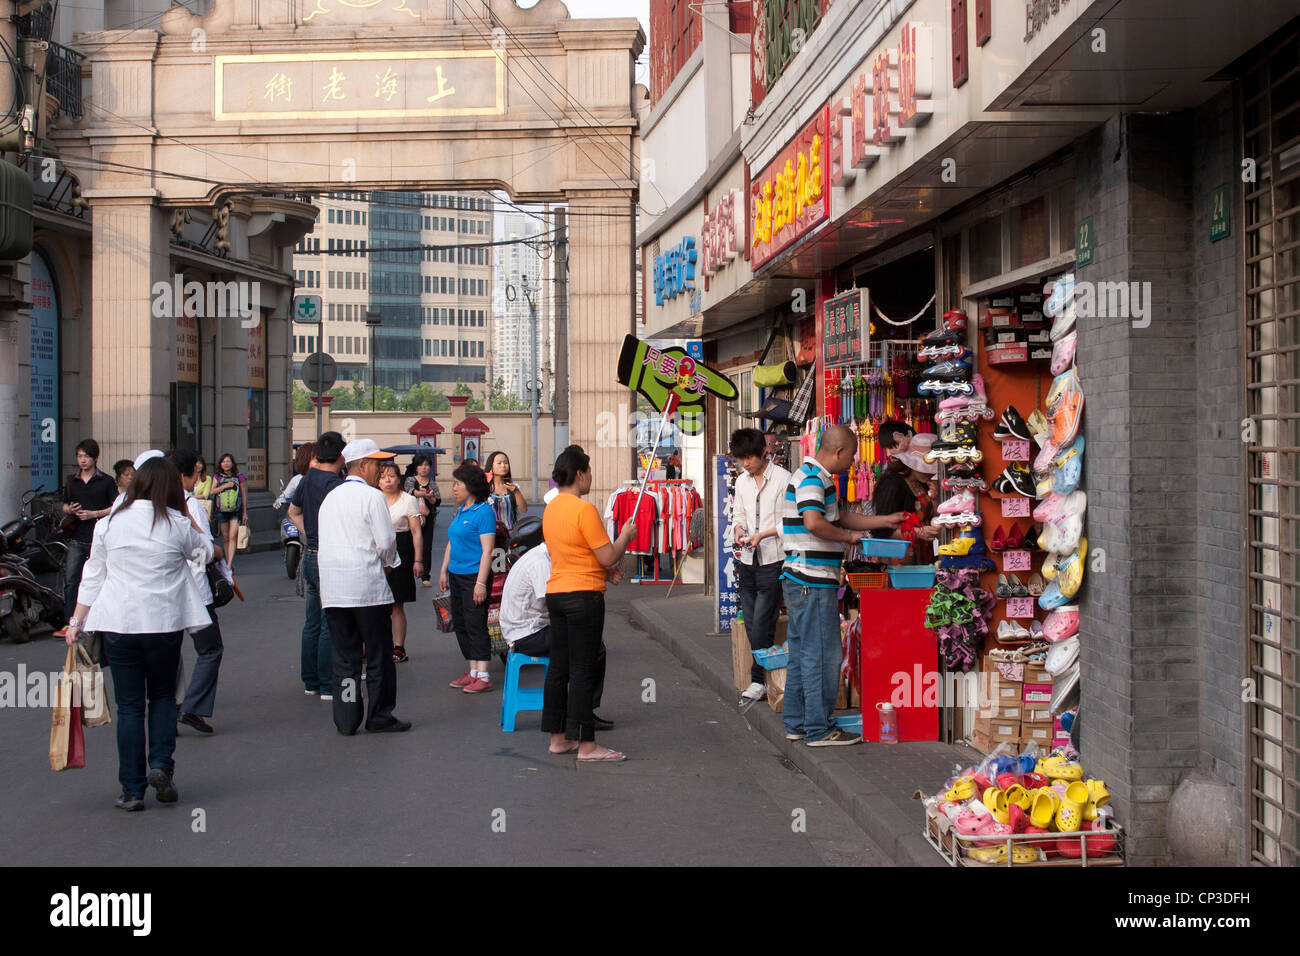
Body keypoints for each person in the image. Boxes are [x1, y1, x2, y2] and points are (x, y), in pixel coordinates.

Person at [63, 457, 213, 811]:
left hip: (118, 625)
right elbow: (203, 552)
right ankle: (161, 766)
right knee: (161, 698)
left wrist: (75, 621)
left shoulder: (111, 523)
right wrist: (189, 520)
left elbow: (94, 574)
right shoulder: (176, 522)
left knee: (129, 708)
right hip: (163, 624)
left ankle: (131, 789)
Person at [782, 425, 907, 747]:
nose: (853, 462)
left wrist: (883, 521)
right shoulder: (812, 478)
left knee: (801, 653)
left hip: (802, 580)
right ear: (838, 452)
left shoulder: (819, 478)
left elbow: (840, 518)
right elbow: (815, 523)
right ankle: (819, 729)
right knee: (821, 654)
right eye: (852, 455)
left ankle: (797, 723)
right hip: (812, 580)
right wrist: (850, 539)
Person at [541, 445, 637, 761]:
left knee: (559, 668)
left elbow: (573, 554)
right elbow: (607, 554)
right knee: (583, 669)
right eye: (589, 472)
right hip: (584, 597)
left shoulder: (551, 509)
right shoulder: (584, 510)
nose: (591, 478)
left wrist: (605, 572)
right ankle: (586, 745)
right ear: (580, 474)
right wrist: (625, 536)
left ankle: (558, 738)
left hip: (557, 593)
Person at [318, 438, 409, 735]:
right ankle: (379, 715)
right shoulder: (371, 497)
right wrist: (388, 562)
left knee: (345, 656)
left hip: (334, 589)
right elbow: (385, 542)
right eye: (378, 465)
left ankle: (346, 717)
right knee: (379, 654)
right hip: (366, 589)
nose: (381, 471)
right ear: (364, 465)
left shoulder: (330, 497)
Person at [499, 539, 612, 725]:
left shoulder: (542, 556)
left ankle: (577, 707)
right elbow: (554, 607)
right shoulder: (541, 563)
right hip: (526, 634)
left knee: (586, 642)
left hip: (527, 627)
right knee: (594, 647)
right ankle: (583, 712)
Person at [728, 427, 792, 703]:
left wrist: (762, 535)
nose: (745, 464)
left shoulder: (783, 479)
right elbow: (738, 514)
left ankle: (758, 679)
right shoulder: (742, 482)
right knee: (752, 623)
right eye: (741, 459)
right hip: (747, 560)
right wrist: (739, 530)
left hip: (773, 559)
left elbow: (789, 521)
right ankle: (767, 676)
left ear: (763, 452)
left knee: (762, 622)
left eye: (750, 458)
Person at [170, 448, 226, 735]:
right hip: (195, 593)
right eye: (196, 473)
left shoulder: (147, 506)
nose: (198, 479)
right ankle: (191, 707)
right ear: (184, 474)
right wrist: (223, 567)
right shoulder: (189, 507)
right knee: (211, 649)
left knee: (170, 654)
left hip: (165, 596)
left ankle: (172, 708)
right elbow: (205, 550)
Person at [289, 431, 345, 700]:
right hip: (327, 557)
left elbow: (292, 511)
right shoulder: (336, 484)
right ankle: (326, 684)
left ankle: (309, 681)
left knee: (311, 622)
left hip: (309, 553)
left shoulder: (307, 479)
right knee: (327, 623)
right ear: (340, 455)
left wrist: (307, 533)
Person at [439, 463, 498, 694]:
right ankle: (472, 671)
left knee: (476, 624)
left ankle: (483, 674)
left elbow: (487, 550)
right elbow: (452, 542)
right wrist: (444, 570)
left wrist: (481, 583)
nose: (454, 488)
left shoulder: (483, 512)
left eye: (458, 484)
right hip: (456, 574)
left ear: (471, 486)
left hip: (474, 575)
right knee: (461, 624)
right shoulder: (461, 510)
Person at [56, 439, 117, 635]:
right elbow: (63, 504)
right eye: (79, 456)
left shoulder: (106, 481)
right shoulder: (71, 481)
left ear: (95, 458)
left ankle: (100, 619)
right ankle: (70, 621)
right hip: (77, 537)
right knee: (72, 580)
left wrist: (94, 514)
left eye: (86, 456)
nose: (82, 460)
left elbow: (115, 507)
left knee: (101, 578)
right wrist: (69, 509)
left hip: (99, 538)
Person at [378, 460, 424, 664]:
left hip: (402, 548)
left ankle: (399, 647)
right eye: (382, 476)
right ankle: (375, 645)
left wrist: (418, 560)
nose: (387, 480)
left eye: (392, 476)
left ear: (399, 479)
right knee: (375, 603)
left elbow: (416, 532)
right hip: (377, 552)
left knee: (397, 603)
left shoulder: (408, 500)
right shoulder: (374, 499)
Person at [403, 453, 440, 587]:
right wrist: (425, 493)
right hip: (412, 517)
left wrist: (430, 497)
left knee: (427, 547)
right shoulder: (410, 480)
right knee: (411, 545)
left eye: (426, 465)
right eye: (421, 465)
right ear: (416, 467)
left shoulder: (433, 483)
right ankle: (410, 573)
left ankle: (425, 576)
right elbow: (410, 492)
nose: (424, 468)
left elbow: (437, 501)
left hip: (428, 518)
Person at [211, 454, 247, 571]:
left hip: (235, 511)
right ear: (220, 464)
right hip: (221, 511)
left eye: (228, 461)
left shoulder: (239, 477)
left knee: (232, 537)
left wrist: (245, 513)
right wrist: (225, 486)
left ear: (232, 463)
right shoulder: (217, 477)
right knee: (226, 538)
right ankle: (228, 562)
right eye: (223, 461)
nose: (226, 463)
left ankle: (229, 564)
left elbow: (244, 496)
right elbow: (212, 491)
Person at [484, 450, 527, 530]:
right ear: (491, 466)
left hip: (511, 533)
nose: (503, 466)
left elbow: (524, 509)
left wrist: (516, 492)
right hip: (490, 533)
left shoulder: (513, 487)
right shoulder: (484, 488)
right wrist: (484, 482)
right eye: (499, 463)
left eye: (506, 463)